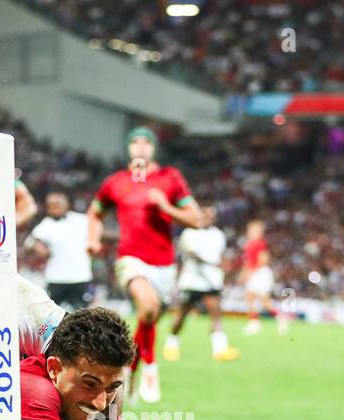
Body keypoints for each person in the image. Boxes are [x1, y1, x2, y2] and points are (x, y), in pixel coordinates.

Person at [87, 126, 203, 403]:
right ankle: (150, 365)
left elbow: (196, 218)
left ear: (154, 149)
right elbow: (94, 213)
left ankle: (130, 373)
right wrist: (92, 239)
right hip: (130, 258)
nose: (140, 147)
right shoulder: (115, 182)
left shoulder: (170, 178)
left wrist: (166, 207)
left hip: (164, 265)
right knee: (148, 307)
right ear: (127, 148)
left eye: (146, 143)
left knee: (147, 319)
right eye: (135, 142)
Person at [166, 205, 238, 362]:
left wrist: (221, 269)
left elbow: (219, 256)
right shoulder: (190, 232)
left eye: (211, 215)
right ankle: (171, 345)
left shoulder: (218, 235)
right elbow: (191, 254)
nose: (208, 218)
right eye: (205, 214)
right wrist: (211, 263)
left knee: (216, 314)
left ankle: (220, 350)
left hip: (212, 282)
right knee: (182, 315)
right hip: (192, 281)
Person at [28, 192, 93, 311]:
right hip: (56, 278)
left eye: (57, 204)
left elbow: (97, 228)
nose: (54, 208)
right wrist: (41, 249)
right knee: (52, 314)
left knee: (83, 314)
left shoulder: (81, 220)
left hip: (80, 277)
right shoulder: (46, 224)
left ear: (66, 205)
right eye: (51, 205)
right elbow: (34, 242)